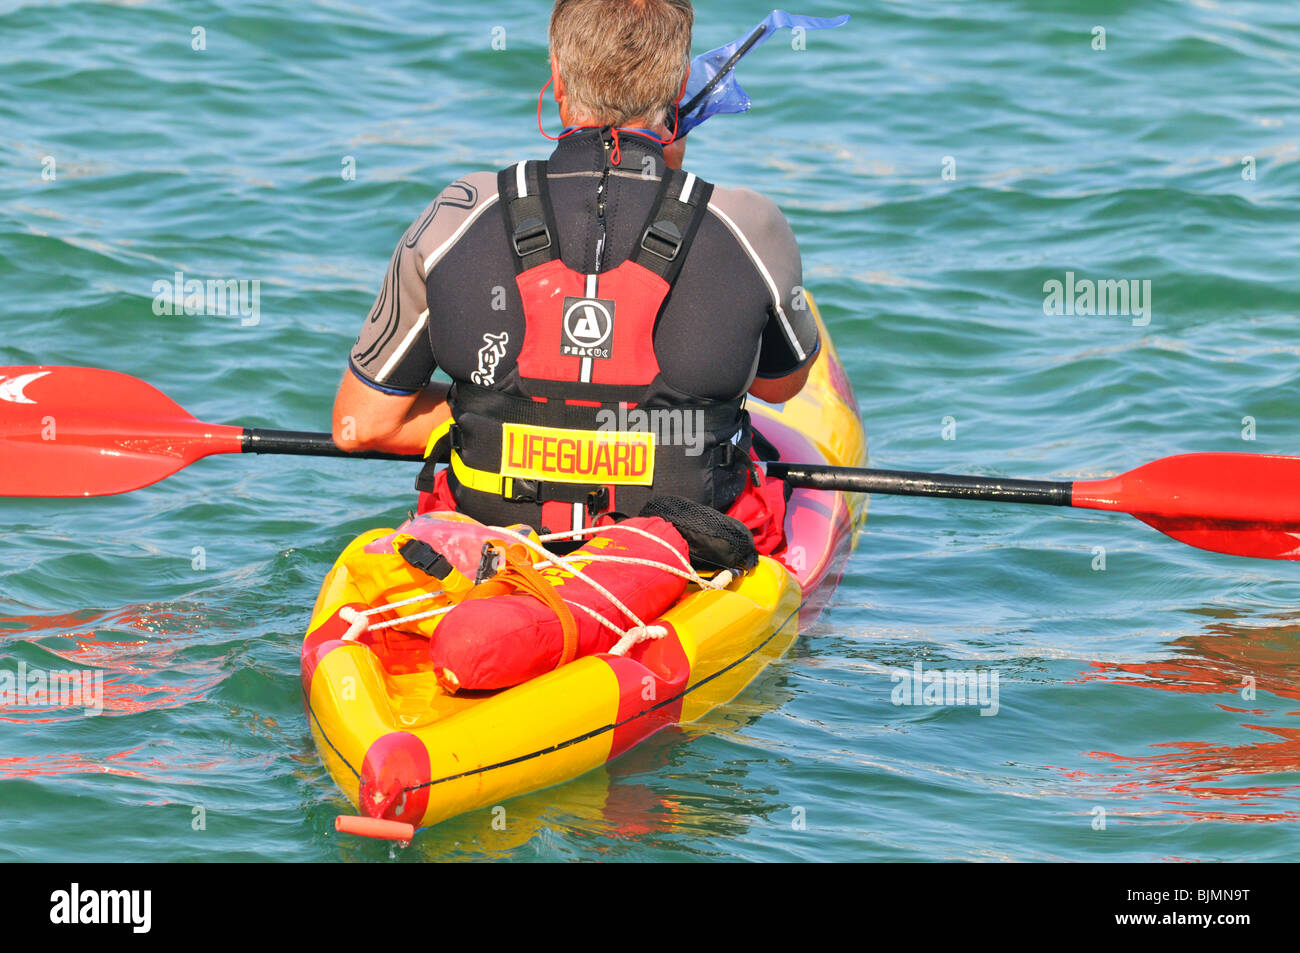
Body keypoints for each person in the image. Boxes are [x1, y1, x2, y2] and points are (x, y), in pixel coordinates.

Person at [334, 0, 818, 552]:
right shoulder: (751, 225)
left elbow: (364, 425)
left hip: (493, 548)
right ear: (681, 82)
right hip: (679, 554)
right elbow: (781, 385)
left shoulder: (457, 213)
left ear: (558, 80)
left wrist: (493, 415)